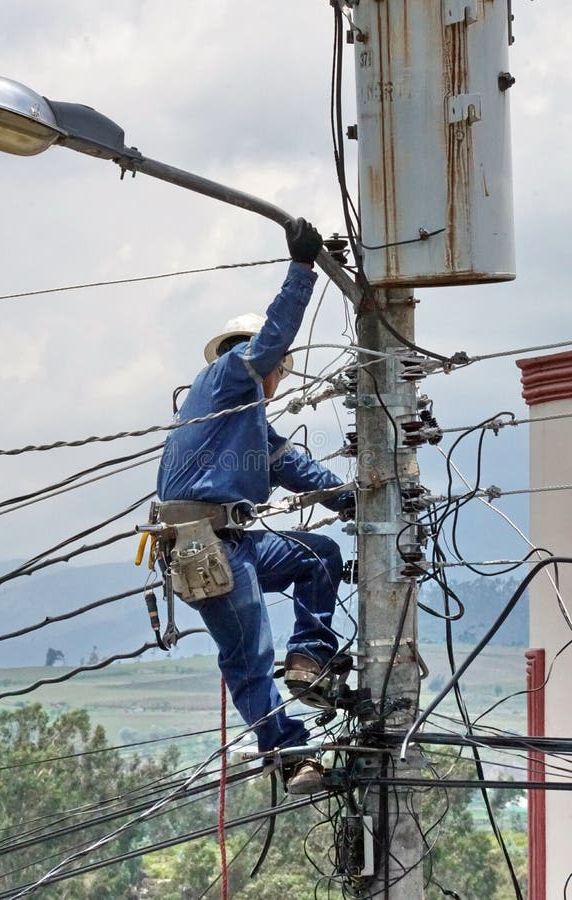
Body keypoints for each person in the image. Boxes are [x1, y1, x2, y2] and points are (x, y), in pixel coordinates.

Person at [156, 219, 354, 793]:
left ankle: (307, 662)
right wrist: (302, 269)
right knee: (247, 656)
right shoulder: (225, 376)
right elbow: (268, 341)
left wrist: (353, 498)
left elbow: (293, 467)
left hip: (237, 542)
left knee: (318, 556)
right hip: (205, 545)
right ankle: (289, 753)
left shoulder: (245, 424)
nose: (276, 376)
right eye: (276, 367)